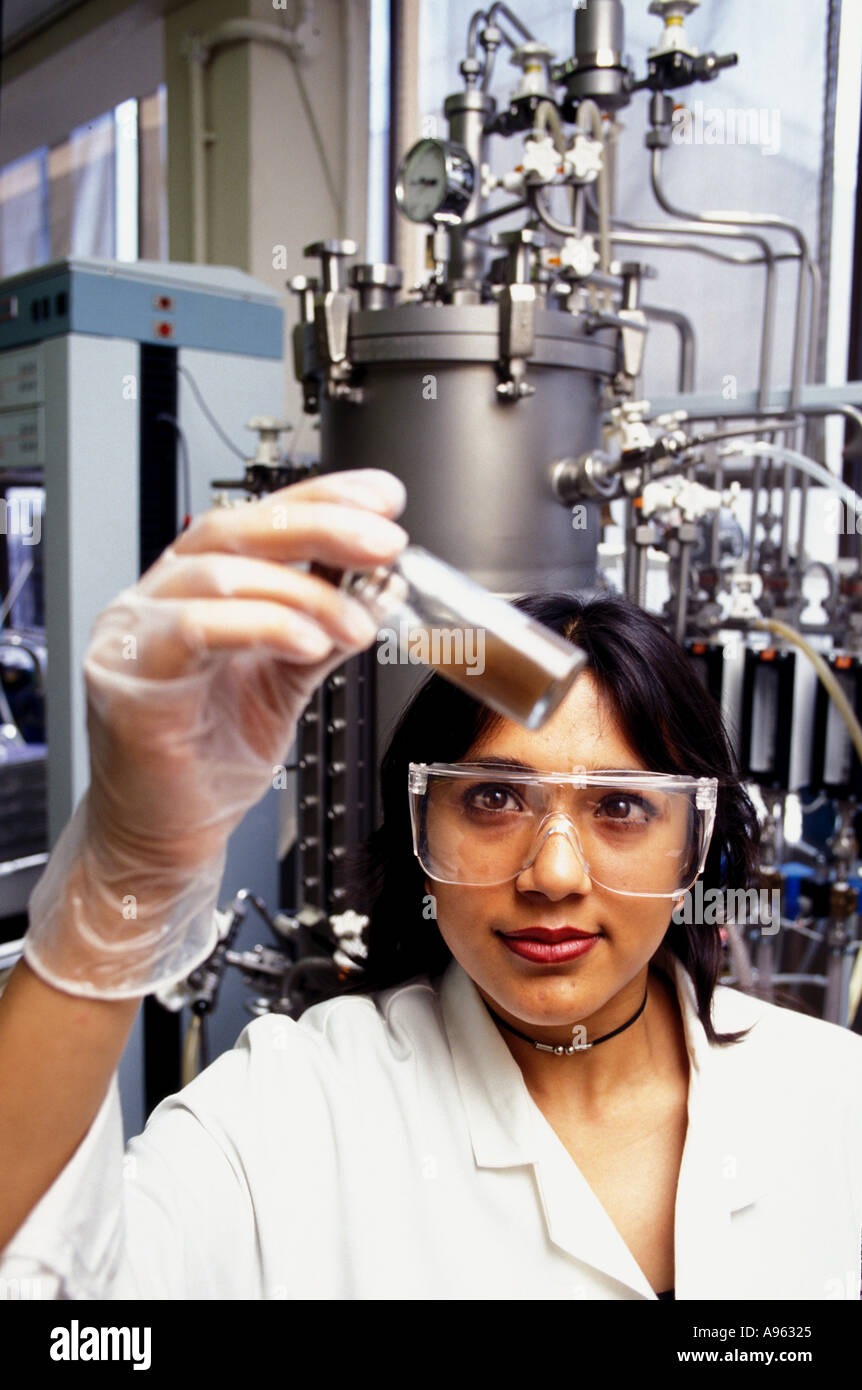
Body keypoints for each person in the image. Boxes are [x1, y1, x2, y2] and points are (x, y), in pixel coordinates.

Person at [0, 468, 860, 1301]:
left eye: (623, 807)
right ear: (418, 827)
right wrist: (122, 877)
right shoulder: (293, 1116)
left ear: (696, 846)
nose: (554, 874)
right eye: (493, 798)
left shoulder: (833, 1097)